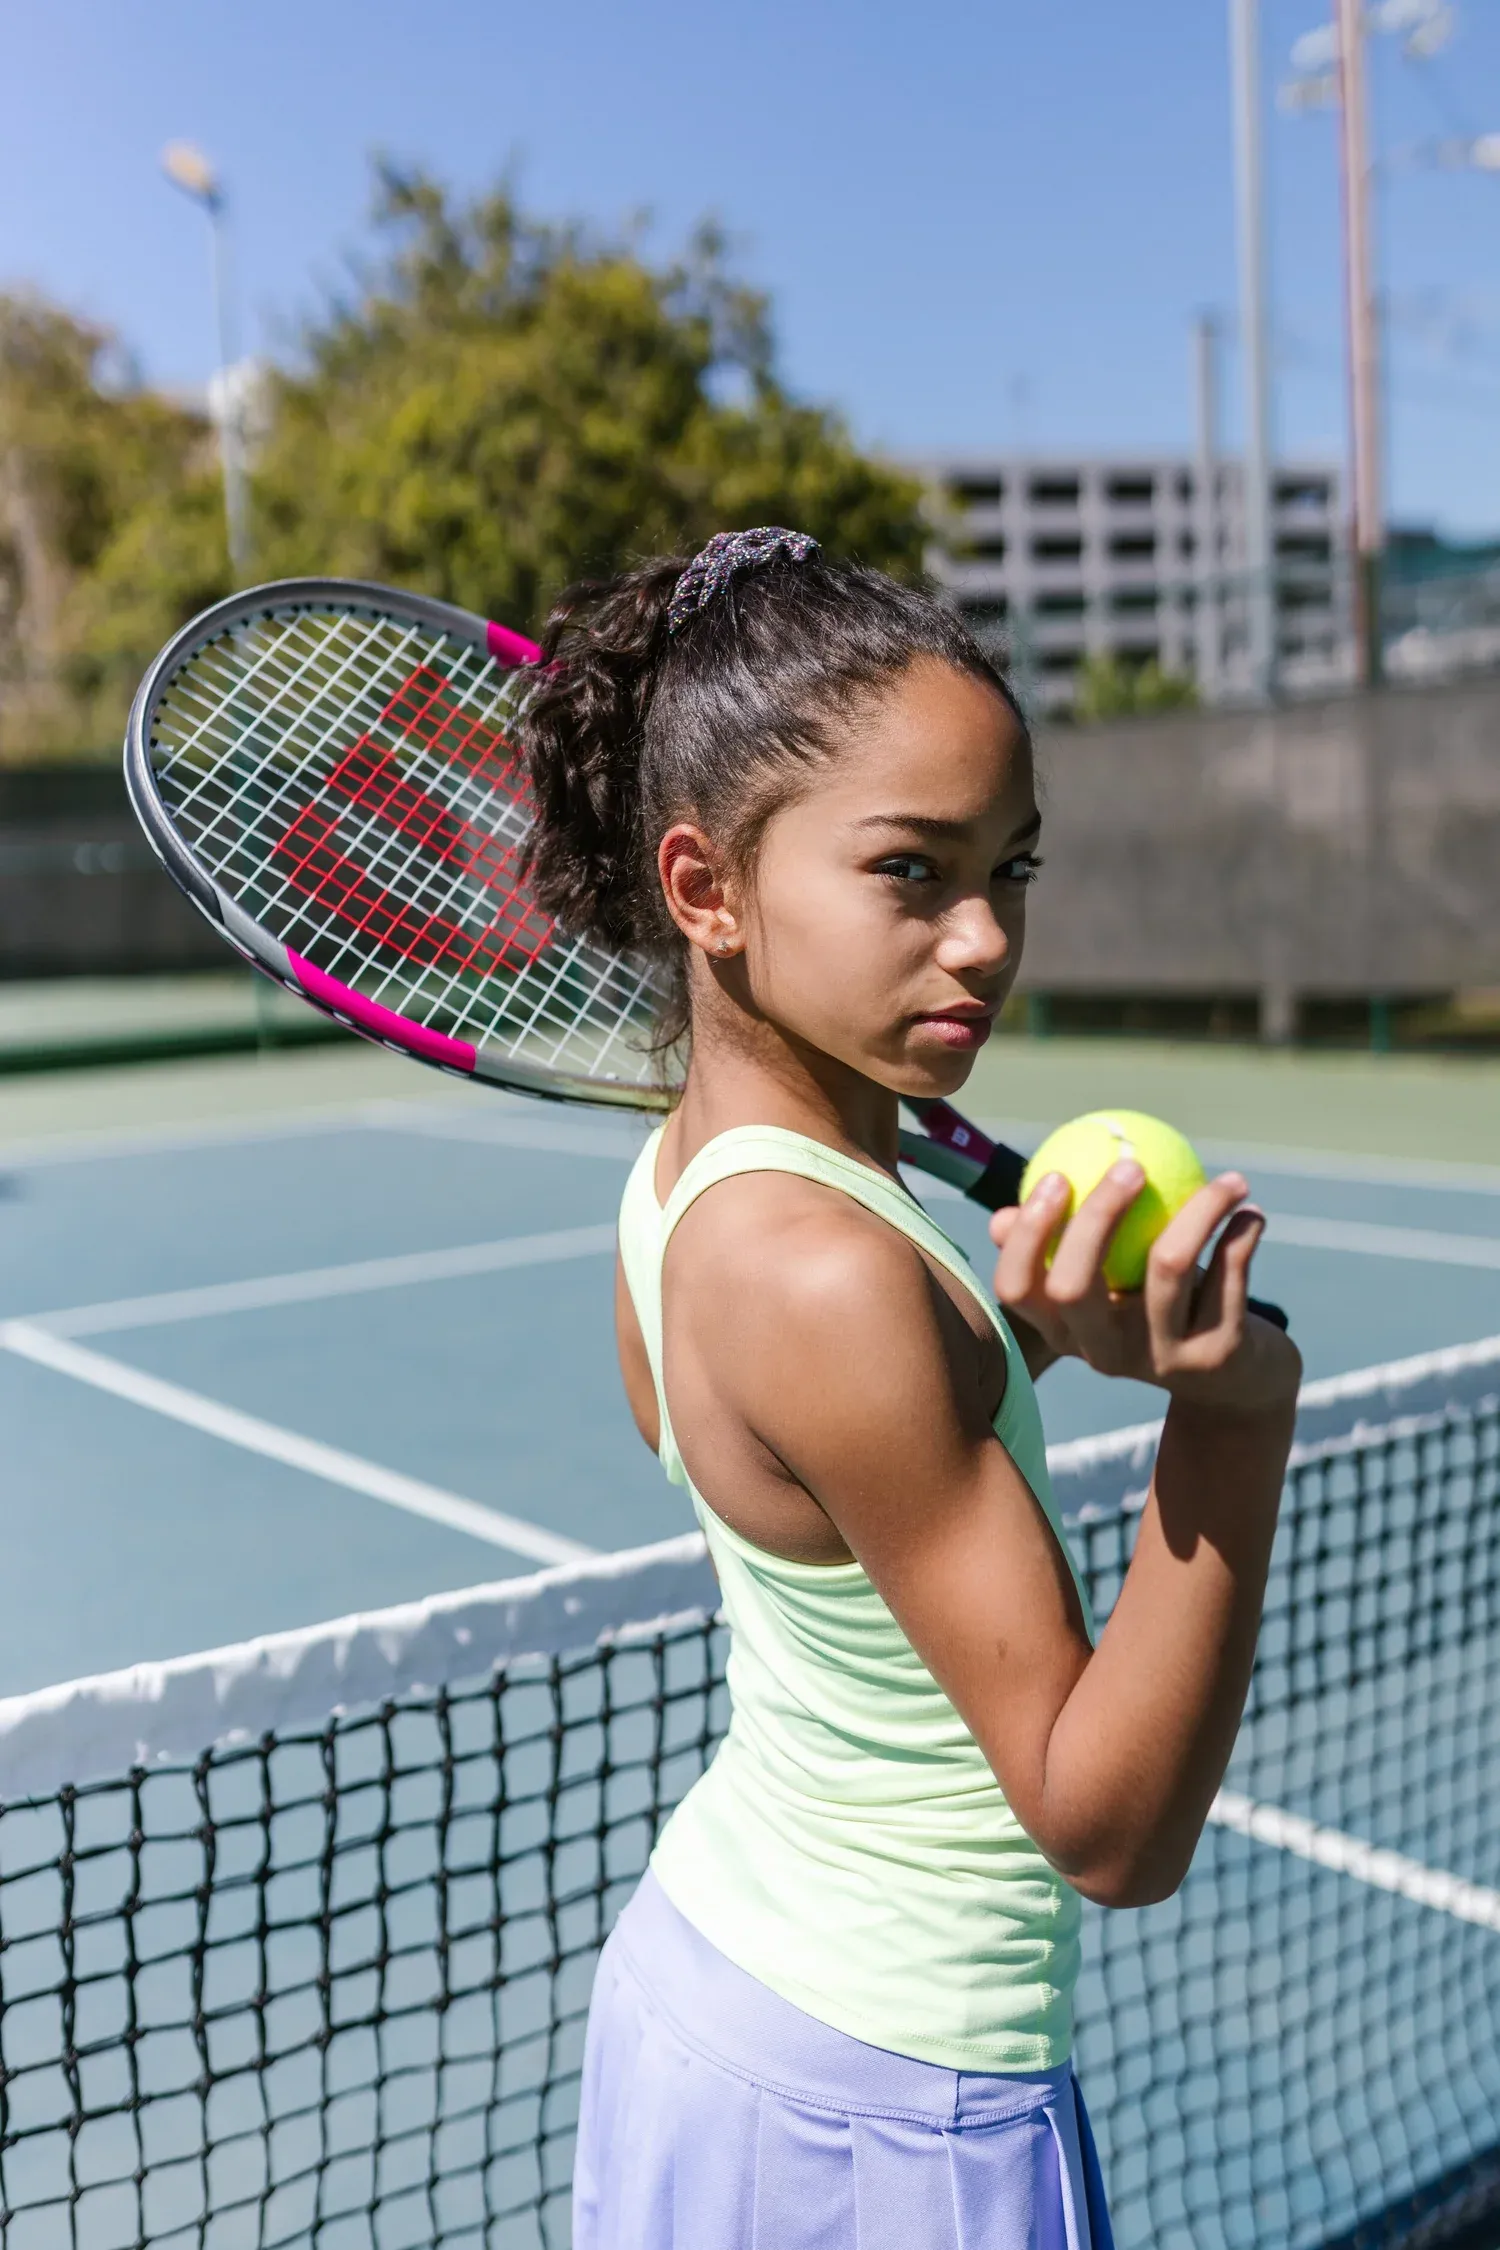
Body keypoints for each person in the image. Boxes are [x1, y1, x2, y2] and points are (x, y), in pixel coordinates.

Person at [521, 529, 1301, 2250]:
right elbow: (1106, 1822)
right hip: (886, 2106)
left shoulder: (691, 1185)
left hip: (718, 2012)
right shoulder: (830, 1272)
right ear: (707, 886)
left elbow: (807, 1470)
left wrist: (1021, 1337)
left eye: (1011, 869)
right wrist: (1233, 1416)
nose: (983, 939)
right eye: (911, 871)